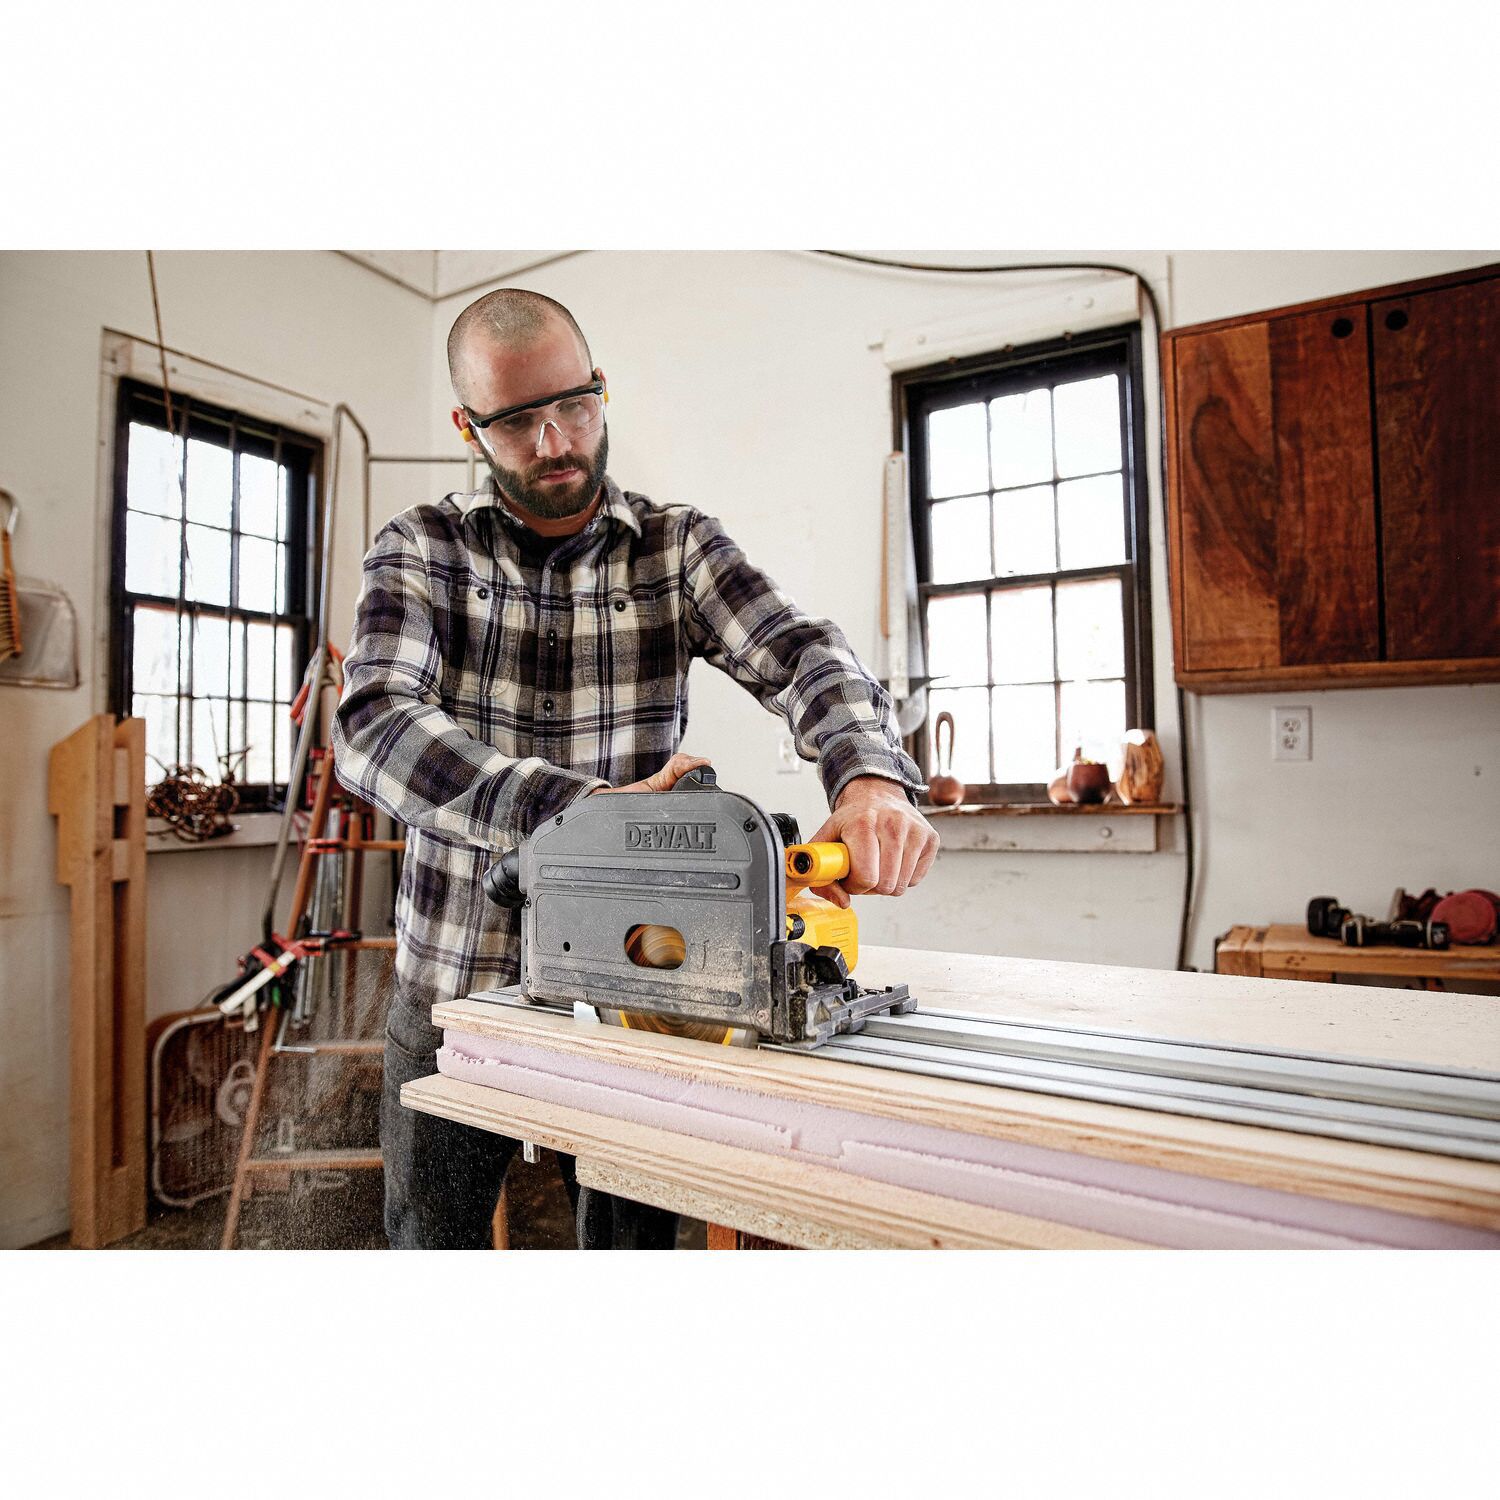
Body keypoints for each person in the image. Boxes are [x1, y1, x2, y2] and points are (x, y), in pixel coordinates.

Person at [331, 288, 939, 1249]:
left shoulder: (676, 547)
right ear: (466, 427)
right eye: (516, 421)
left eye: (574, 405)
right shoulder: (421, 548)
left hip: (641, 994)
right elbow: (373, 726)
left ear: (600, 388)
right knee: (431, 1245)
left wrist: (869, 777)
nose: (555, 442)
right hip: (455, 981)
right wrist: (586, 817)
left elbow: (805, 654)